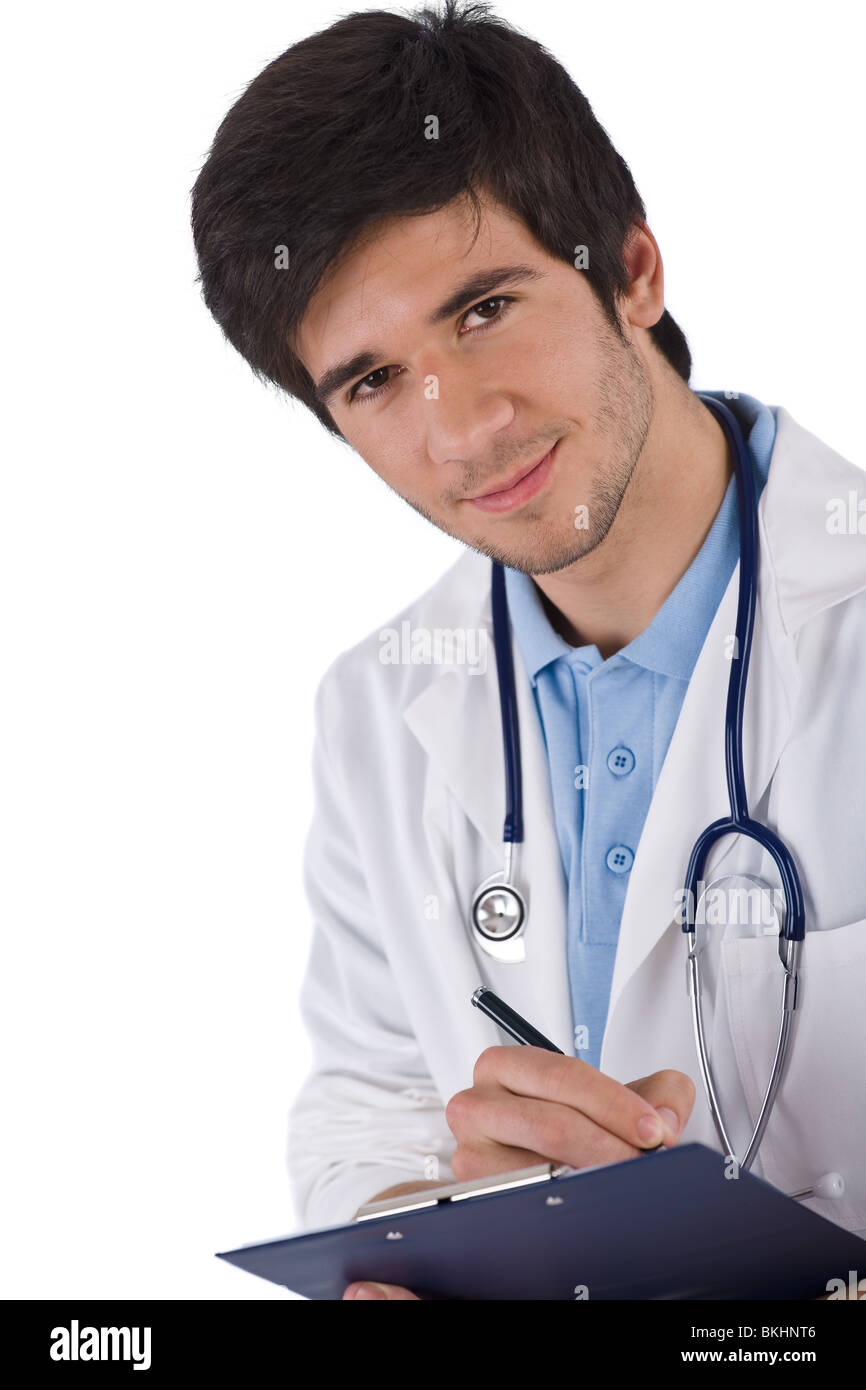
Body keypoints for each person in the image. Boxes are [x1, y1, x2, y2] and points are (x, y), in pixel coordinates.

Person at [191, 1, 866, 1300]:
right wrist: (427, 1214)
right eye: (373, 381)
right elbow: (366, 1105)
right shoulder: (377, 711)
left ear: (632, 271)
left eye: (484, 307)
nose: (462, 428)